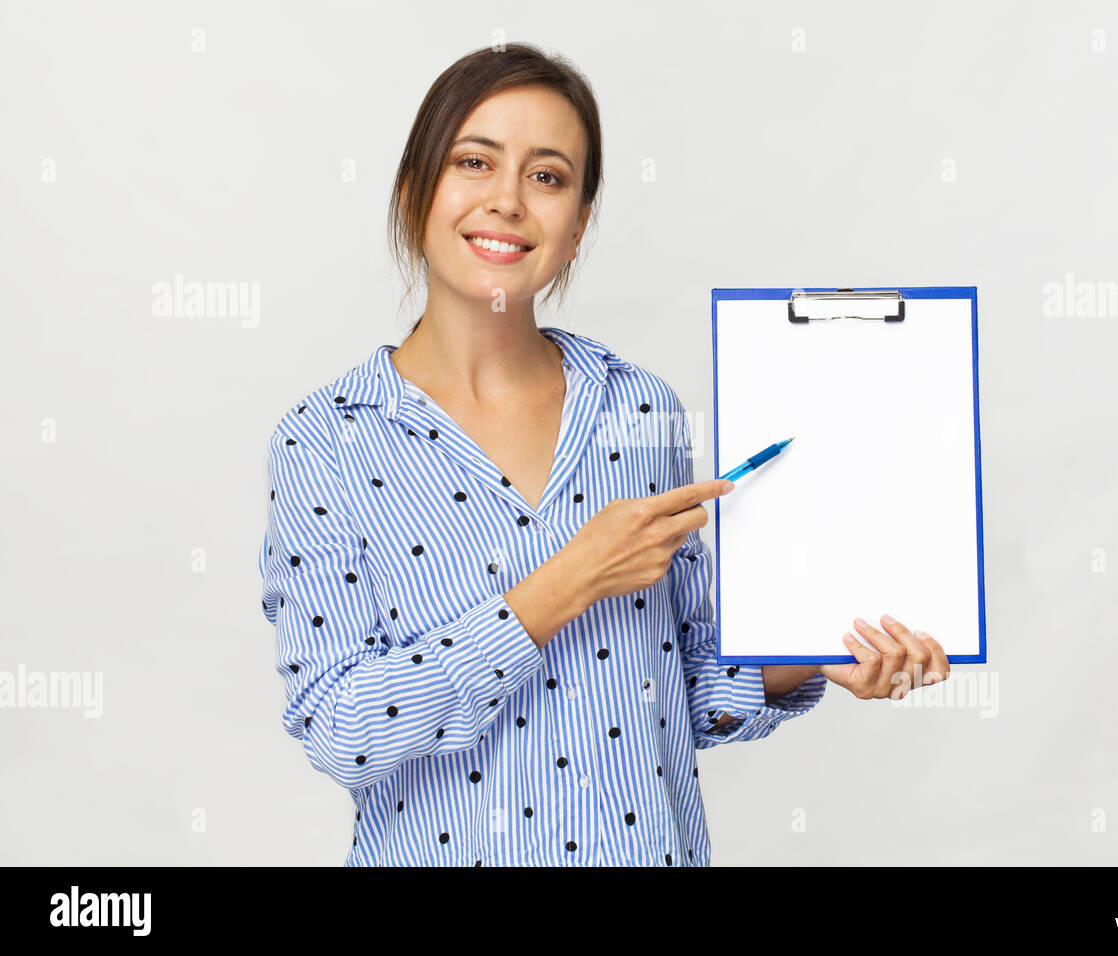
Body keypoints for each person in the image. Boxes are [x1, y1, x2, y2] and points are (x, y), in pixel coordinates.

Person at [258, 42, 950, 866]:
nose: (508, 200)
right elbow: (343, 731)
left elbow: (680, 690)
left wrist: (820, 655)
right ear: (414, 194)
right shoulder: (326, 439)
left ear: (577, 226)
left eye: (547, 177)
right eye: (474, 162)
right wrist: (565, 580)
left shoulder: (639, 410)